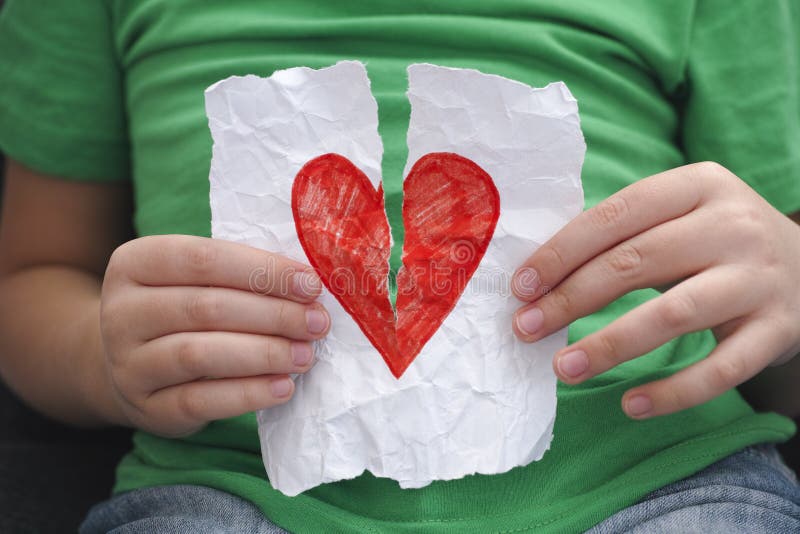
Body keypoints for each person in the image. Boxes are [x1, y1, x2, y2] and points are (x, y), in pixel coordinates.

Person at [0, 1, 799, 532]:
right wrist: (102, 360)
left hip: (655, 476)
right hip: (236, 490)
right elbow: (35, 275)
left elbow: (771, 285)